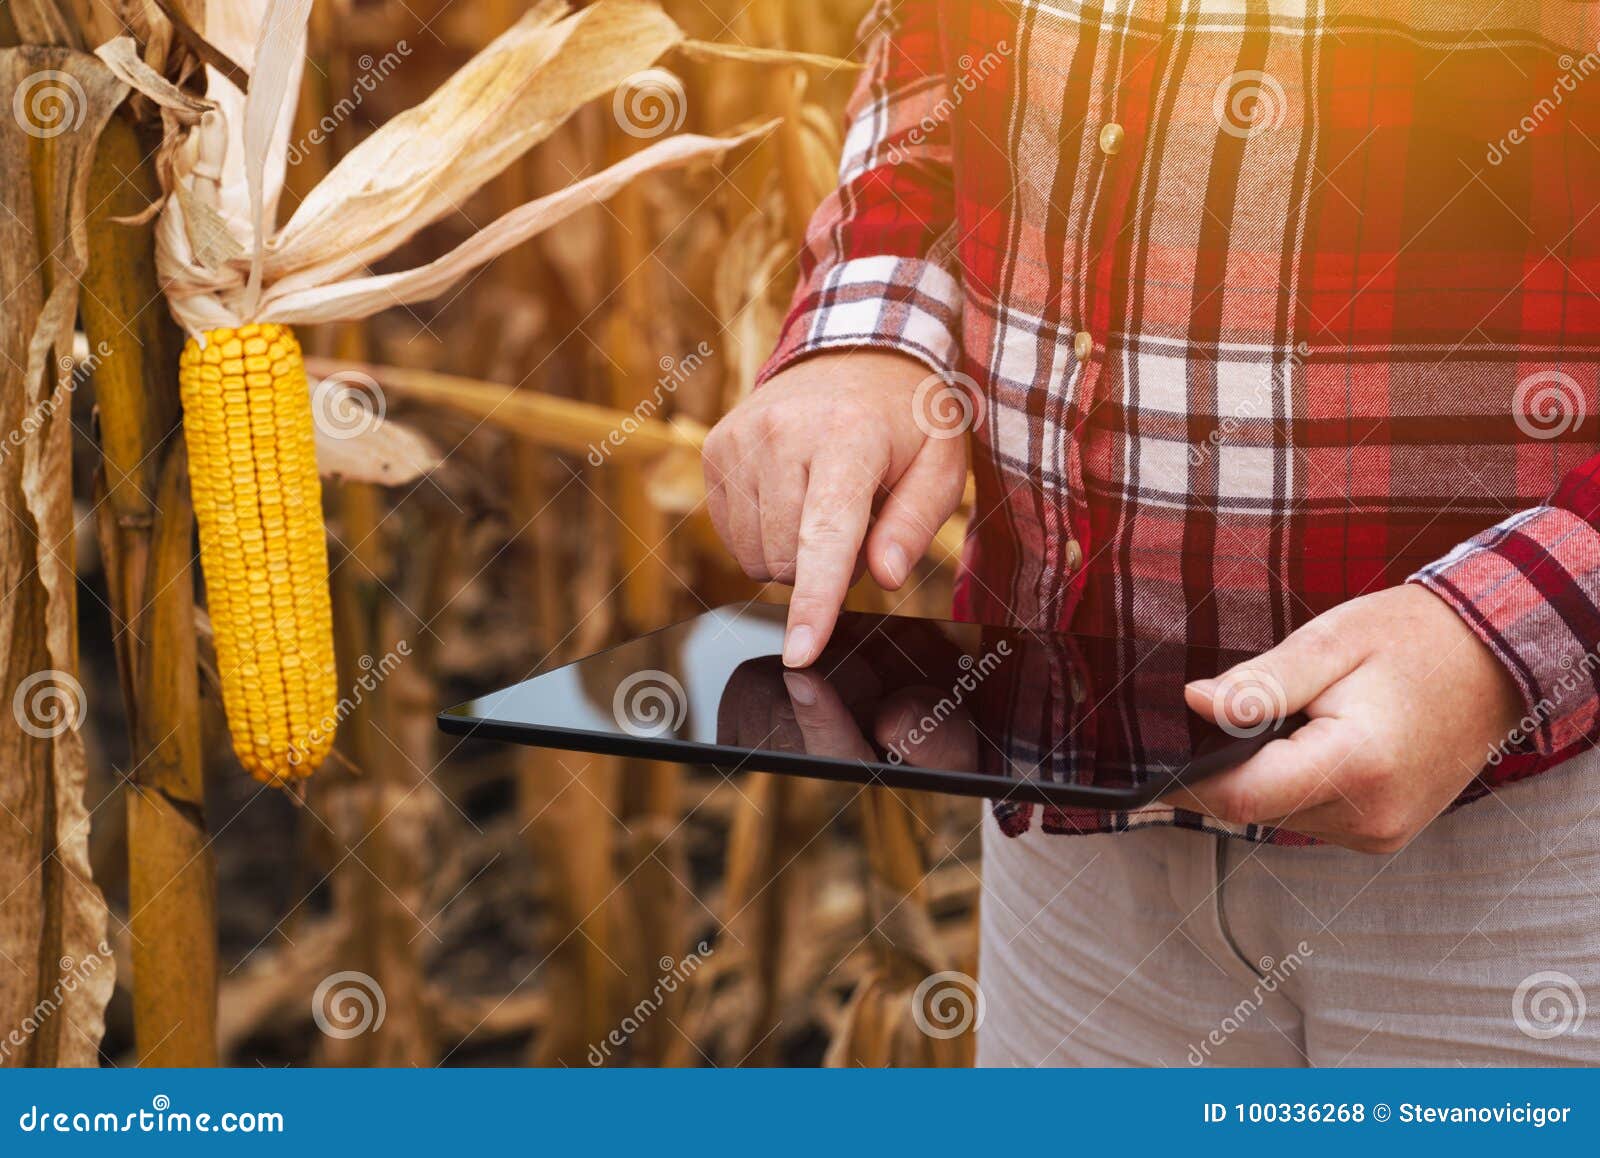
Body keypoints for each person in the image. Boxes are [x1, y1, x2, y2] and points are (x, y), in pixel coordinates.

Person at [702, 1, 1600, 1064]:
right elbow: (934, 52)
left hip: (1541, 846)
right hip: (1078, 823)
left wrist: (1516, 632)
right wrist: (872, 325)